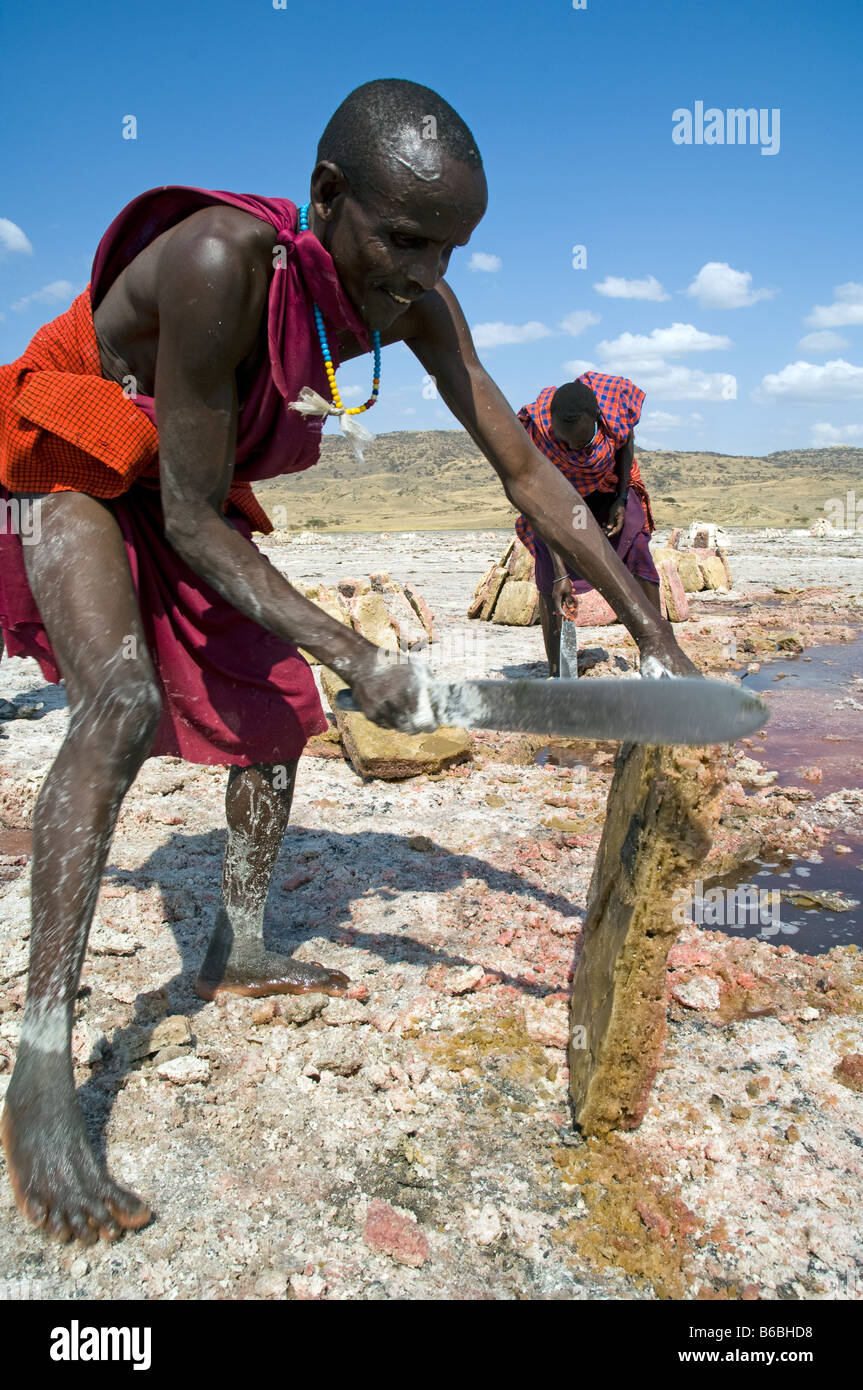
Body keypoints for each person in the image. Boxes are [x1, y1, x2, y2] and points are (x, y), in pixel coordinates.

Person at [0, 78, 697, 1246]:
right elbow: (183, 517)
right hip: (79, 449)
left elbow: (526, 471)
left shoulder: (418, 303)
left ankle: (238, 943)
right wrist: (354, 647)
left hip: (183, 482)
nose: (423, 271)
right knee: (117, 702)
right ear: (326, 198)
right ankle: (40, 1065)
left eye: (450, 248)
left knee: (275, 714)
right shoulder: (220, 262)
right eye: (405, 238)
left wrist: (651, 632)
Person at [515, 376, 661, 676]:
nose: (571, 448)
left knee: (637, 545)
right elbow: (538, 503)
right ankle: (559, 670)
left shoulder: (615, 407)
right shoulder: (536, 433)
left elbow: (625, 444)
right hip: (557, 501)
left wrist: (620, 499)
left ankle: (658, 650)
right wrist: (560, 574)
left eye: (579, 442)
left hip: (608, 488)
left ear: (597, 419)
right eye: (564, 442)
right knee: (548, 572)